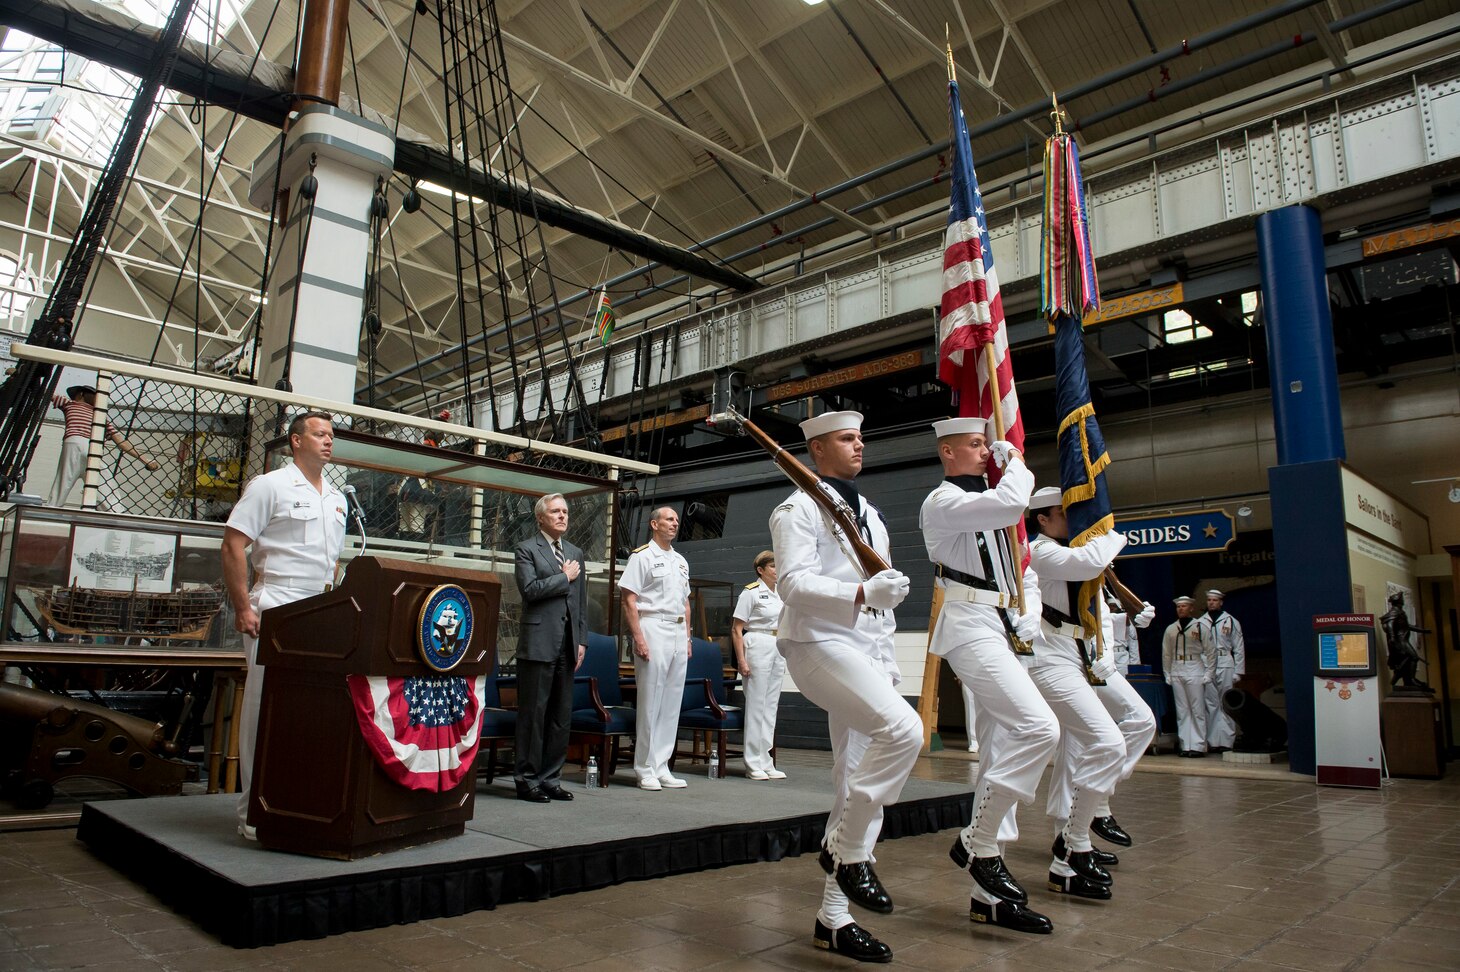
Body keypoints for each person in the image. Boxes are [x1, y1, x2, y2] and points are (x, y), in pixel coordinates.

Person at [771, 410, 920, 963]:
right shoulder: (797, 508)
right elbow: (789, 583)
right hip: (818, 644)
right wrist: (859, 596)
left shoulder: (872, 515)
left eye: (861, 436)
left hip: (866, 651)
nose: (860, 445)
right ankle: (845, 851)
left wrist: (884, 607)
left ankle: (834, 918)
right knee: (904, 731)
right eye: (846, 438)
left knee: (856, 782)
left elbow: (874, 585)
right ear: (816, 450)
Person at [919, 417, 1058, 935]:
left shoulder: (987, 512)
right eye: (976, 445)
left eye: (987, 442)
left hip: (1003, 626)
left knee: (1003, 754)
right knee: (1039, 729)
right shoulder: (944, 502)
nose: (986, 451)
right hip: (970, 627)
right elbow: (1010, 503)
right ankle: (976, 842)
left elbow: (1021, 573)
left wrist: (1026, 611)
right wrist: (1016, 461)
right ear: (949, 452)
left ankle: (988, 896)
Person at [221, 411, 346, 839]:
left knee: (306, 707)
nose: (328, 441)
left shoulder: (336, 496)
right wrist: (242, 606)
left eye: (331, 435)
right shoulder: (270, 485)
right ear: (296, 441)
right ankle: (253, 812)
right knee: (264, 706)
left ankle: (295, 802)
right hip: (275, 599)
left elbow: (332, 563)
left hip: (319, 604)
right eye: (319, 434)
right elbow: (234, 543)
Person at [1023, 487, 1136, 901]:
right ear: (1042, 519)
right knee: (1107, 743)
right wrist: (1106, 529)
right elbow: (1085, 562)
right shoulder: (1040, 551)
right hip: (1049, 660)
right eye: (1066, 514)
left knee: (1099, 745)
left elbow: (1093, 603)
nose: (1075, 522)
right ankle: (1076, 838)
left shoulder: (1068, 549)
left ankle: (1067, 857)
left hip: (1078, 654)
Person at [511, 492, 588, 803]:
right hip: (538, 642)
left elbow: (580, 602)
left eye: (565, 511)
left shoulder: (575, 552)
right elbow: (529, 591)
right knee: (534, 714)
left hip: (568, 644)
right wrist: (563, 576)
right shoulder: (526, 549)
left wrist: (582, 640)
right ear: (540, 517)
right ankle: (526, 780)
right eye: (555, 511)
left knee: (560, 715)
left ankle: (550, 779)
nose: (562, 516)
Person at [621, 507, 692, 791]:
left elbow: (686, 603)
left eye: (676, 520)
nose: (675, 523)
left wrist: (688, 638)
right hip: (653, 625)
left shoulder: (681, 561)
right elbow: (629, 599)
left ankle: (662, 766)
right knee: (651, 700)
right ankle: (644, 767)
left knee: (672, 702)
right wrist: (638, 637)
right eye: (669, 519)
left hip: (677, 629)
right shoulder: (641, 556)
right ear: (654, 524)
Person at [49, 384, 159, 507]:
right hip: (80, 443)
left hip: (85, 445)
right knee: (92, 480)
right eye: (95, 394)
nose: (98, 398)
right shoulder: (69, 403)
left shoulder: (101, 416)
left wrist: (145, 459)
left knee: (76, 480)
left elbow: (120, 441)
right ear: (81, 394)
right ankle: (113, 510)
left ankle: (113, 511)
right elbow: (49, 394)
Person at [731, 550, 787, 781]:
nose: (777, 570)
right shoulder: (751, 592)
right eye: (773, 566)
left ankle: (766, 760)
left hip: (778, 644)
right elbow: (736, 629)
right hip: (756, 641)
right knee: (756, 705)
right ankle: (753, 762)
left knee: (770, 706)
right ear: (761, 570)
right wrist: (741, 660)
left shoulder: (781, 593)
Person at [1162, 596, 1213, 757]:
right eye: (1179, 607)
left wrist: (1209, 672)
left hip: (1195, 667)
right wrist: (1167, 673)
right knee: (1182, 710)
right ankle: (1185, 744)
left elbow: (1210, 651)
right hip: (1177, 668)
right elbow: (1167, 654)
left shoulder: (1201, 626)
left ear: (1191, 608)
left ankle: (1198, 745)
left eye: (1184, 606)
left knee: (1197, 709)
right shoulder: (1171, 629)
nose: (1181, 609)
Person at [1198, 589, 1246, 752]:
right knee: (1211, 703)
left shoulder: (1231, 621)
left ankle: (1226, 741)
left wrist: (1238, 671)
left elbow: (1239, 647)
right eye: (1209, 600)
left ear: (1221, 602)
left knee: (1225, 701)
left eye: (1214, 600)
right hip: (1207, 663)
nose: (1211, 603)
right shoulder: (1201, 622)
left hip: (1225, 661)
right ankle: (1213, 741)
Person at [1381, 590, 1431, 691]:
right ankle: (1411, 679)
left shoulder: (1400, 612)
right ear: (1399, 602)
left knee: (1406, 661)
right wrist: (1393, 637)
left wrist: (1423, 631)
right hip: (1400, 641)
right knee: (1414, 657)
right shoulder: (1394, 612)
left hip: (1404, 640)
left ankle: (1408, 680)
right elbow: (1390, 625)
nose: (1403, 601)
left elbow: (1407, 626)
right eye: (1402, 600)